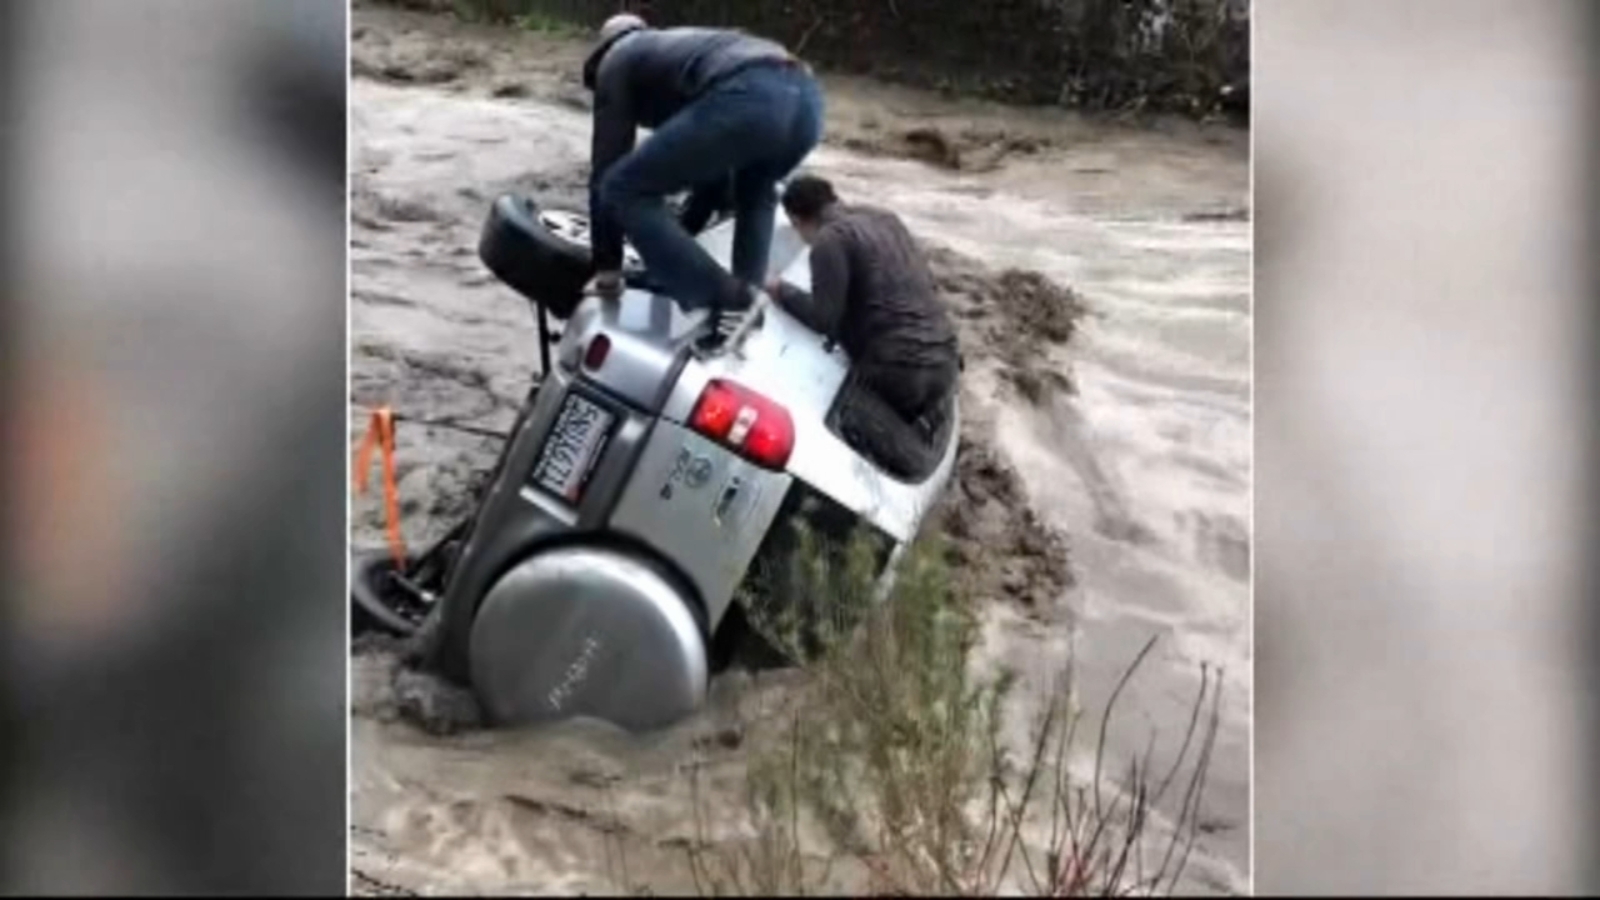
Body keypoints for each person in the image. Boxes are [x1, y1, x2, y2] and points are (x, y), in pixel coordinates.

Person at [581, 14, 824, 342]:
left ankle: (729, 298)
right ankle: (746, 308)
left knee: (622, 188)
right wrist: (679, 236)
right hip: (808, 101)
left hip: (752, 93)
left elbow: (606, 171)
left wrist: (607, 268)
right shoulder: (676, 51)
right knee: (755, 194)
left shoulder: (618, 59)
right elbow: (713, 180)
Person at [766, 174, 962, 476]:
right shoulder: (886, 219)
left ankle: (914, 471)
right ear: (832, 196)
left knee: (842, 411)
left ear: (797, 219)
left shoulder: (828, 241)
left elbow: (823, 319)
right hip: (946, 356)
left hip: (901, 370)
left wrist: (781, 290)